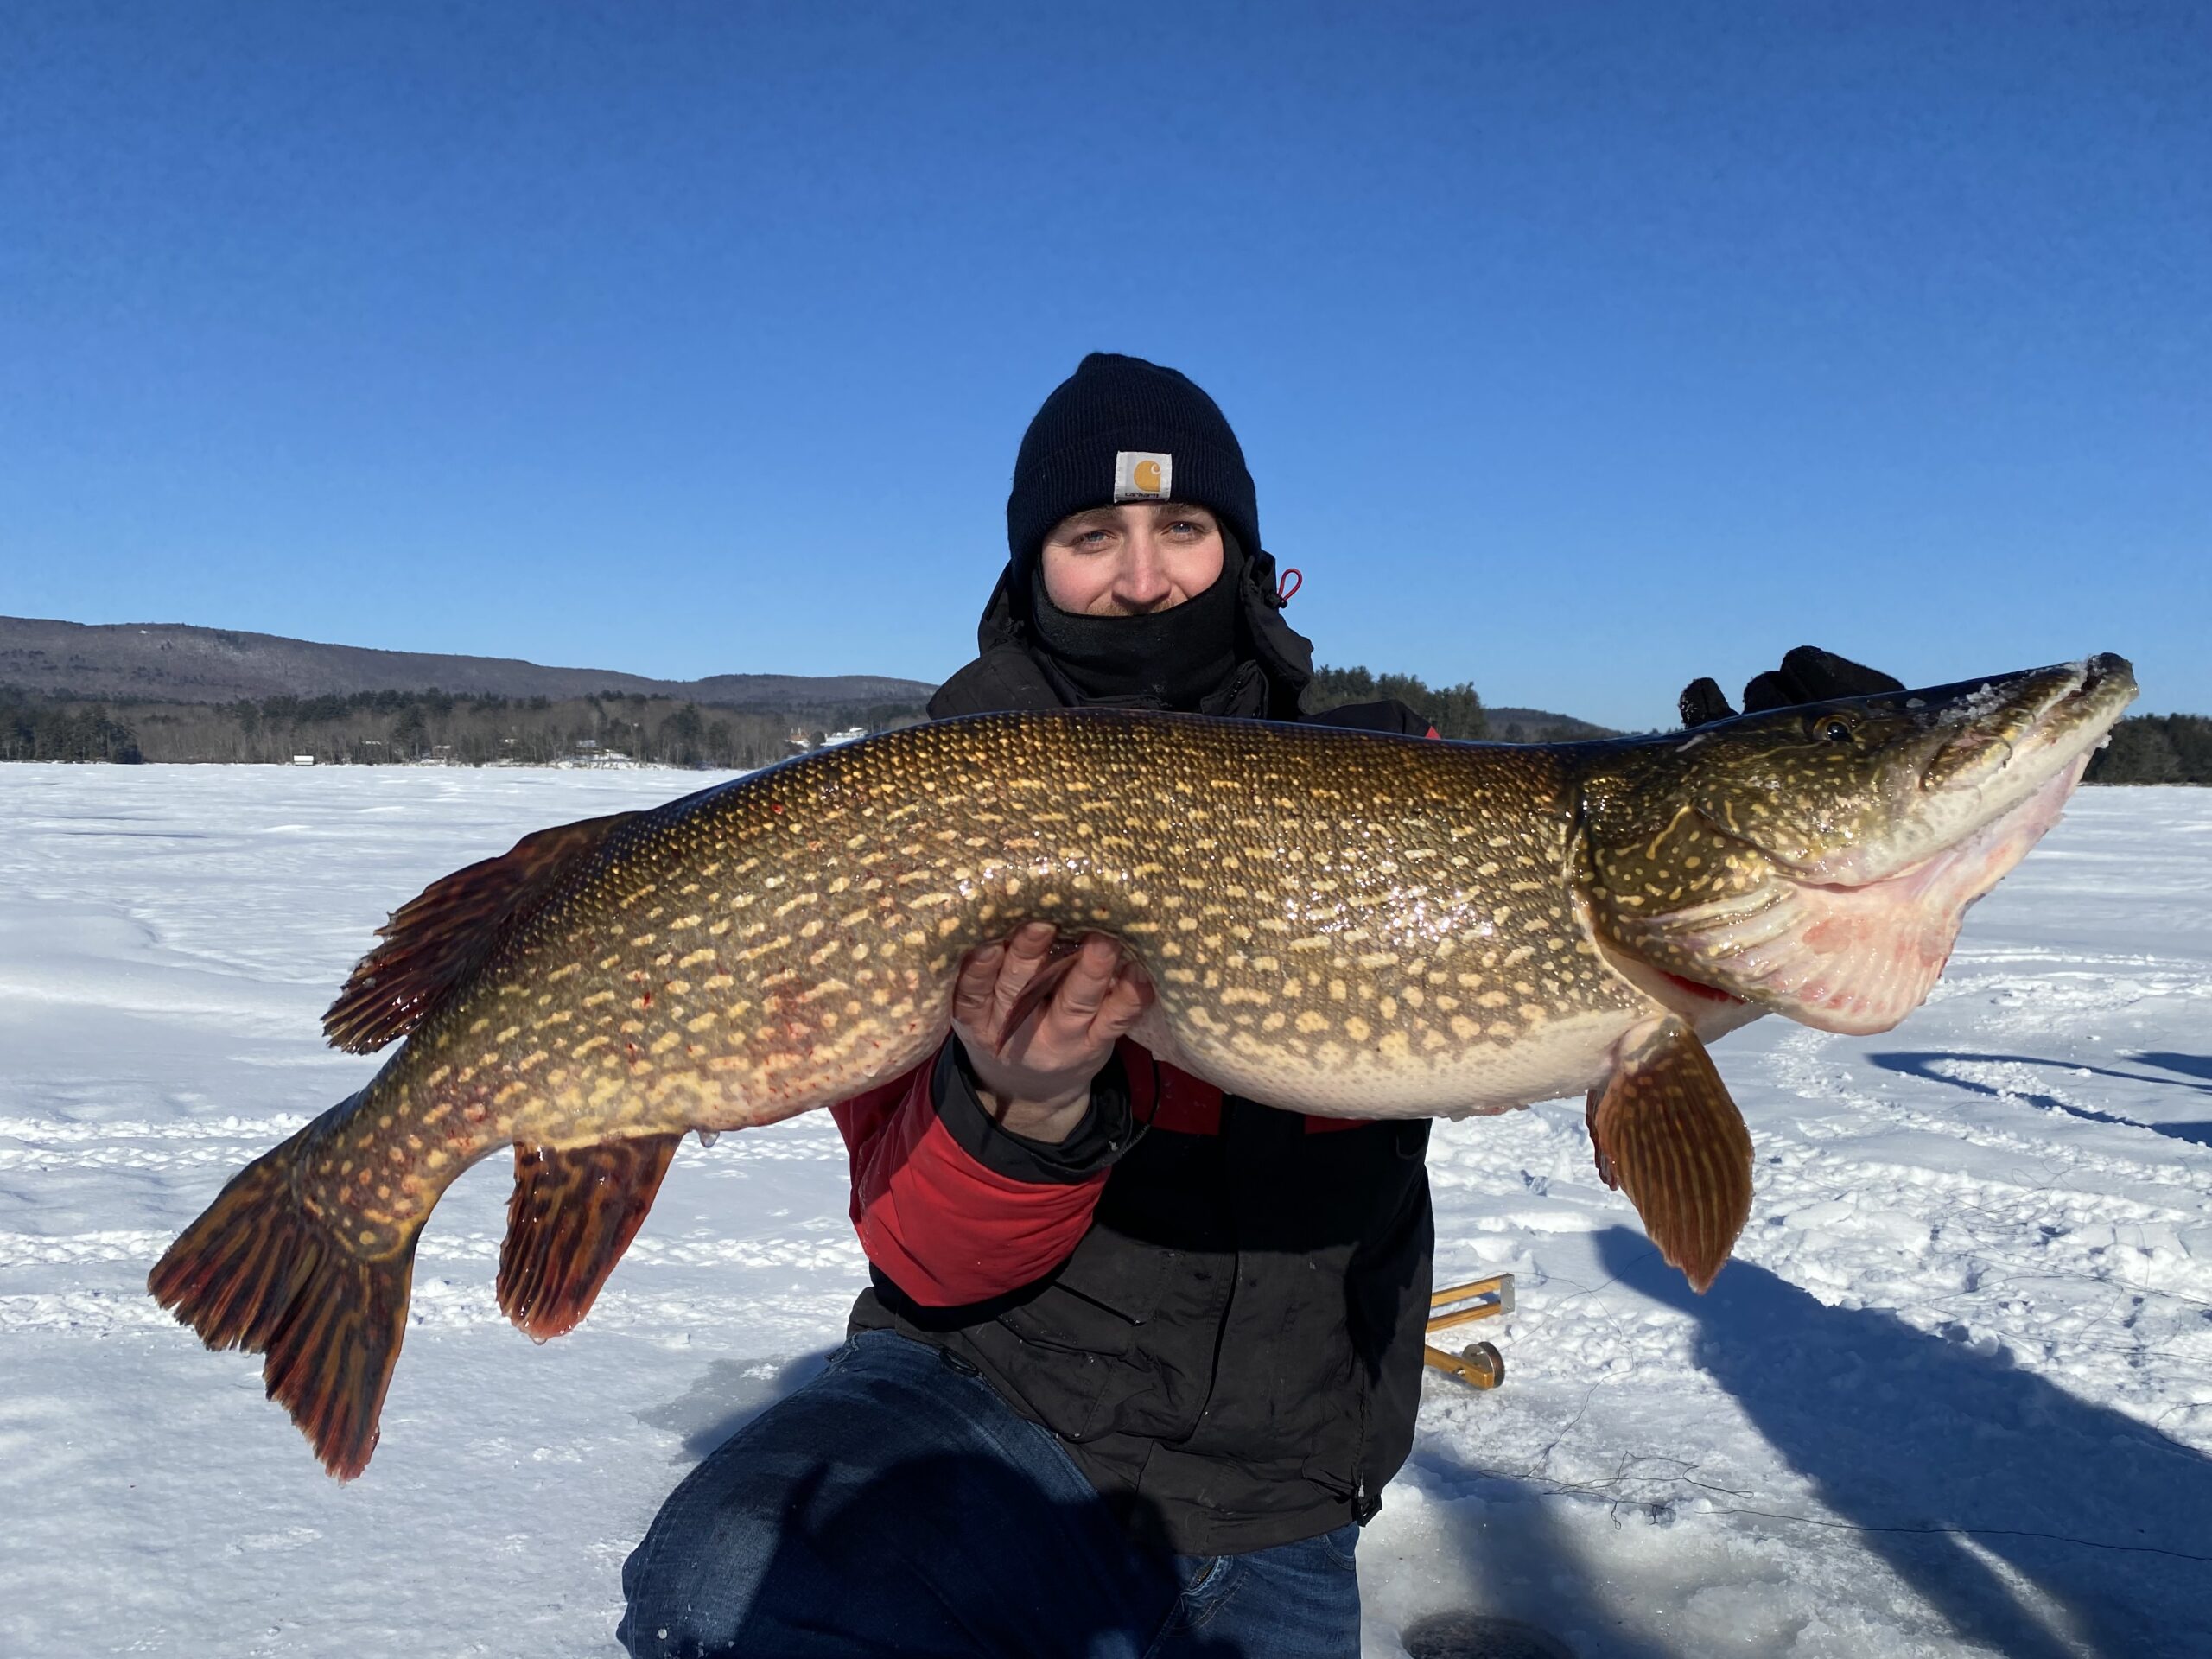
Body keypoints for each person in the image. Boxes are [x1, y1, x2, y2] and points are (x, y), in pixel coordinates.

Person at [617, 353, 1892, 1658]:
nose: (1143, 574)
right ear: (1029, 570)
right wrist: (1026, 1107)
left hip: (1287, 1494)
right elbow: (928, 1261)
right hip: (990, 1421)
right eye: (1090, 534)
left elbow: (1622, 882)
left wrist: (1755, 786)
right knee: (731, 1595)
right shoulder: (935, 816)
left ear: (1246, 554)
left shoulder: (1399, 782)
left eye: (1184, 527)